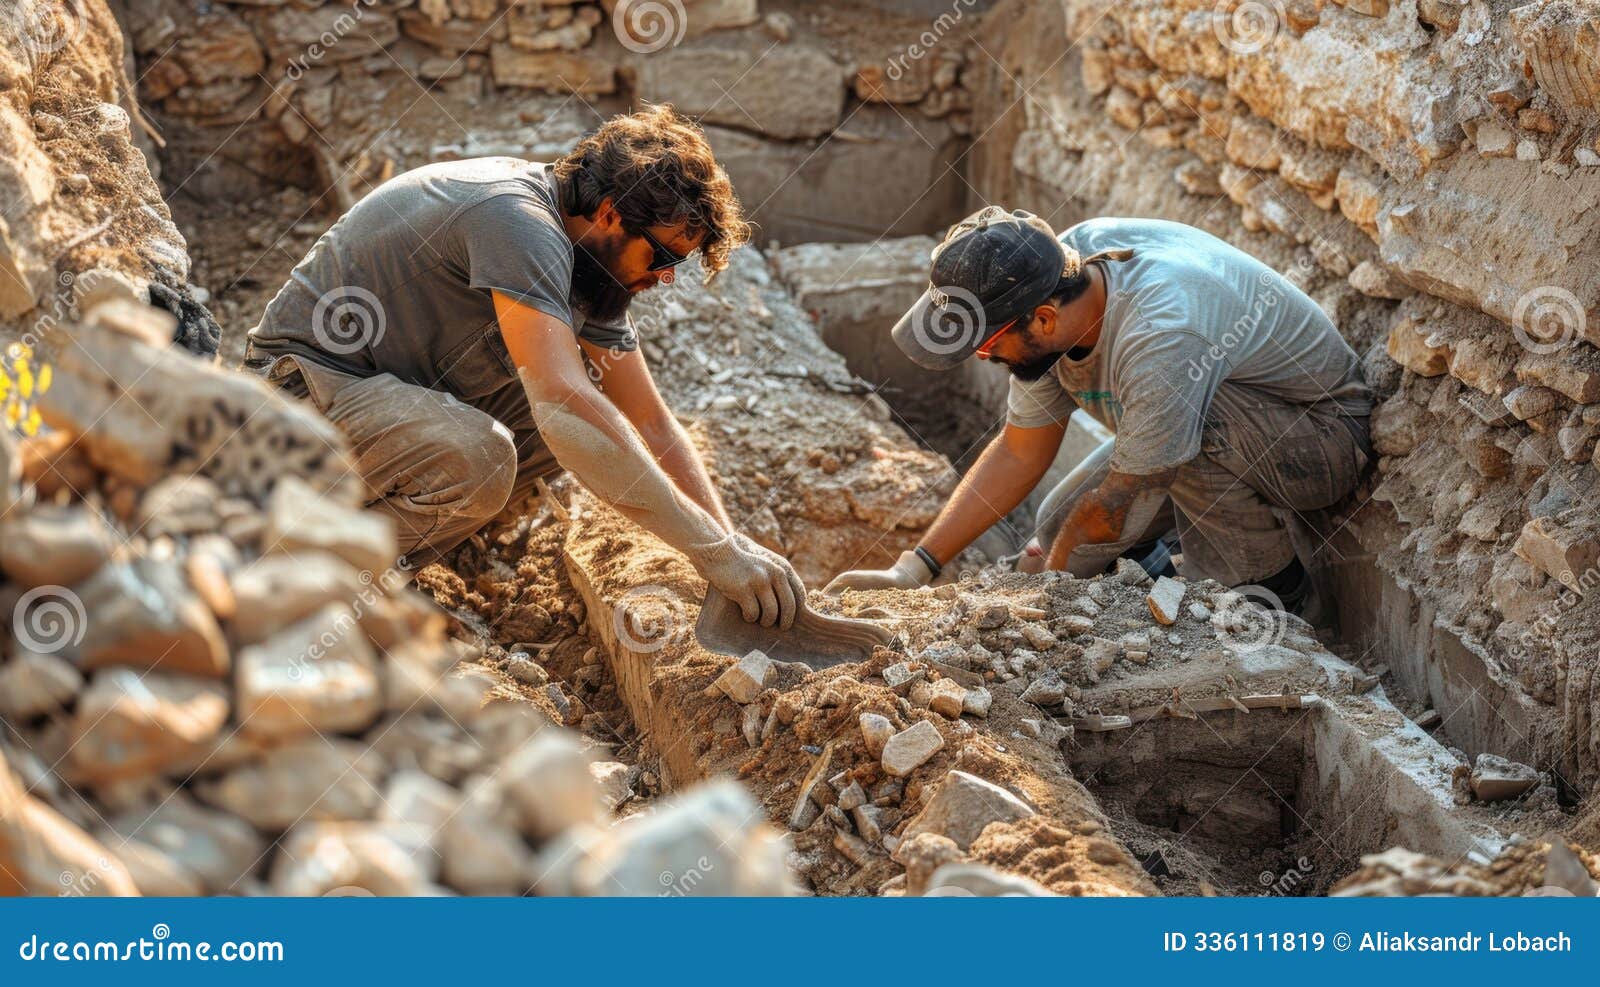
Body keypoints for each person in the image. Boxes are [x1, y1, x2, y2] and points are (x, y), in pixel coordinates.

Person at [246, 105, 803, 628]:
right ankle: (307, 577)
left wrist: (728, 547)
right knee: (494, 451)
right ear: (611, 213)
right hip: (296, 396)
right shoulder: (517, 220)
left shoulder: (595, 260)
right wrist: (711, 552)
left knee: (577, 420)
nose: (666, 277)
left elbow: (650, 423)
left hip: (377, 398)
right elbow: (563, 403)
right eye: (663, 257)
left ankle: (374, 549)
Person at [825, 207, 1372, 613]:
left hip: (1318, 438)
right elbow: (1020, 451)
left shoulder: (1160, 336)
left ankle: (1274, 599)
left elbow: (1121, 499)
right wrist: (914, 568)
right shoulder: (1050, 271)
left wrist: (1039, 609)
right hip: (1231, 416)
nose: (984, 359)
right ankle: (1160, 576)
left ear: (1042, 320)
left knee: (1176, 438)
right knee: (1053, 530)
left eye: (987, 347)